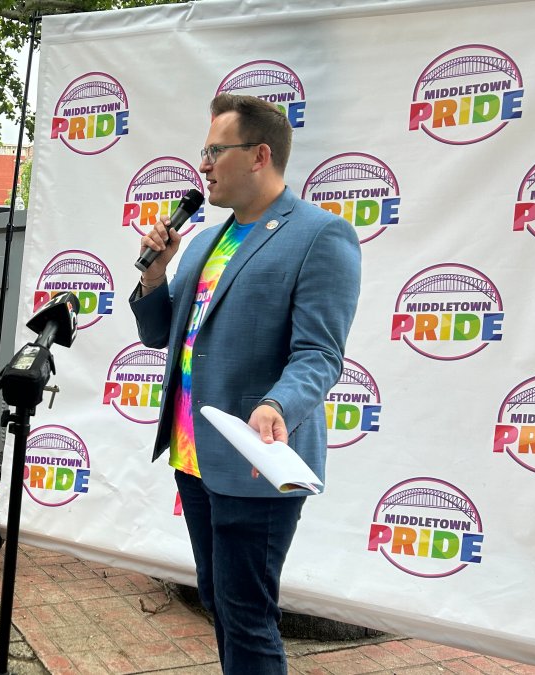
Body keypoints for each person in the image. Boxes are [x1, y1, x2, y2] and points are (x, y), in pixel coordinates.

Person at [130, 94, 361, 674]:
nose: (203, 164)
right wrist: (156, 272)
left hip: (256, 460)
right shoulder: (205, 241)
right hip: (193, 456)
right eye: (202, 151)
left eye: (214, 150)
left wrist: (276, 404)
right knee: (218, 602)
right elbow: (162, 336)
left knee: (247, 614)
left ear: (259, 155)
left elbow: (320, 354)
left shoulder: (319, 235)